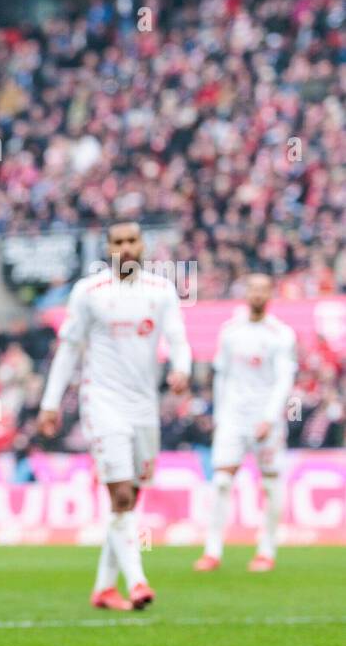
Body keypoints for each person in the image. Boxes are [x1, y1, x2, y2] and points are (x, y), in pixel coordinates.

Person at [38, 221, 191, 610]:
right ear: (107, 248)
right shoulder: (88, 292)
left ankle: (105, 589)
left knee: (130, 498)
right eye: (117, 242)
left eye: (132, 240)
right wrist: (50, 403)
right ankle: (138, 582)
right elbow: (69, 350)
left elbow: (177, 338)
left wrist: (181, 369)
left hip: (145, 406)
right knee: (121, 494)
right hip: (103, 402)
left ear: (143, 245)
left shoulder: (161, 291)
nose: (125, 247)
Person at [195, 274, 297, 572]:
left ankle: (266, 550)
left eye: (263, 290)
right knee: (223, 481)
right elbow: (221, 374)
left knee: (269, 484)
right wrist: (218, 416)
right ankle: (212, 551)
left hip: (266, 418)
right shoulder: (231, 331)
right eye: (252, 289)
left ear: (270, 295)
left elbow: (284, 380)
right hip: (233, 416)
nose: (257, 295)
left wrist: (270, 417)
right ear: (245, 293)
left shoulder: (280, 334)